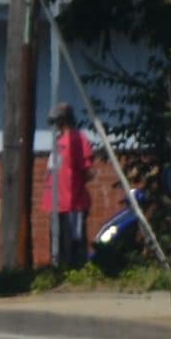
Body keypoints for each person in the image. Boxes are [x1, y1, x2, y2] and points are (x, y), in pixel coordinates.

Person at [48, 103, 94, 269]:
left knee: (75, 240)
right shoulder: (58, 142)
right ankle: (60, 269)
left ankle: (77, 271)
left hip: (74, 202)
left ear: (63, 120)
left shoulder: (78, 140)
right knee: (58, 240)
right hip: (57, 202)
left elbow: (86, 170)